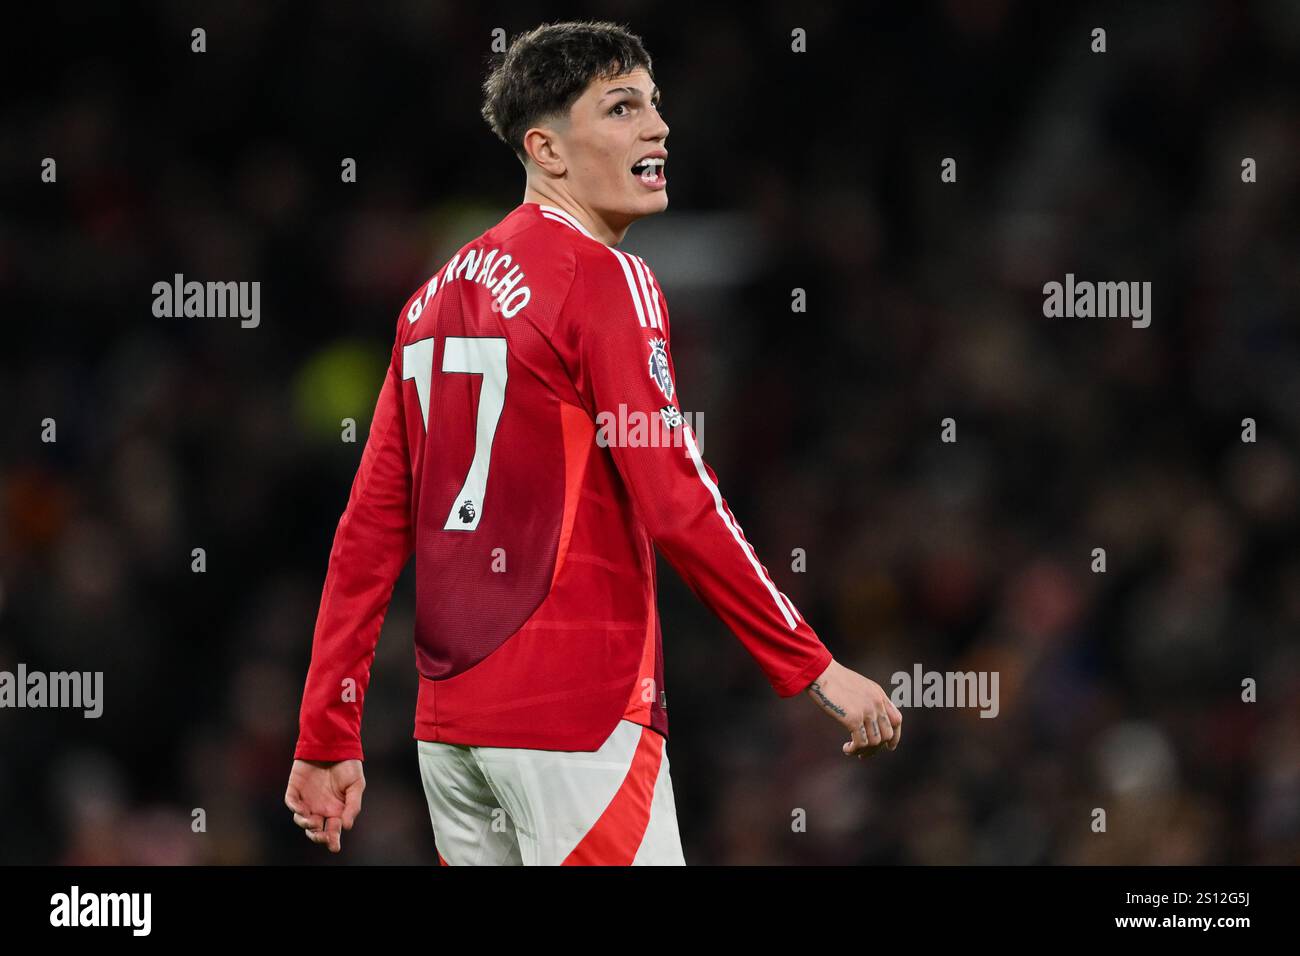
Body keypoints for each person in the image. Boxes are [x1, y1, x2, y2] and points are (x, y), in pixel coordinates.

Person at [284, 19, 901, 866]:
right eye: (620, 108)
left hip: (453, 736)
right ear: (547, 149)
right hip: (575, 715)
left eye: (653, 105)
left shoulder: (428, 303)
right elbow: (676, 496)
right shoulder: (606, 278)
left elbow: (366, 536)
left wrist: (327, 732)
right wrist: (810, 664)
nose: (657, 127)